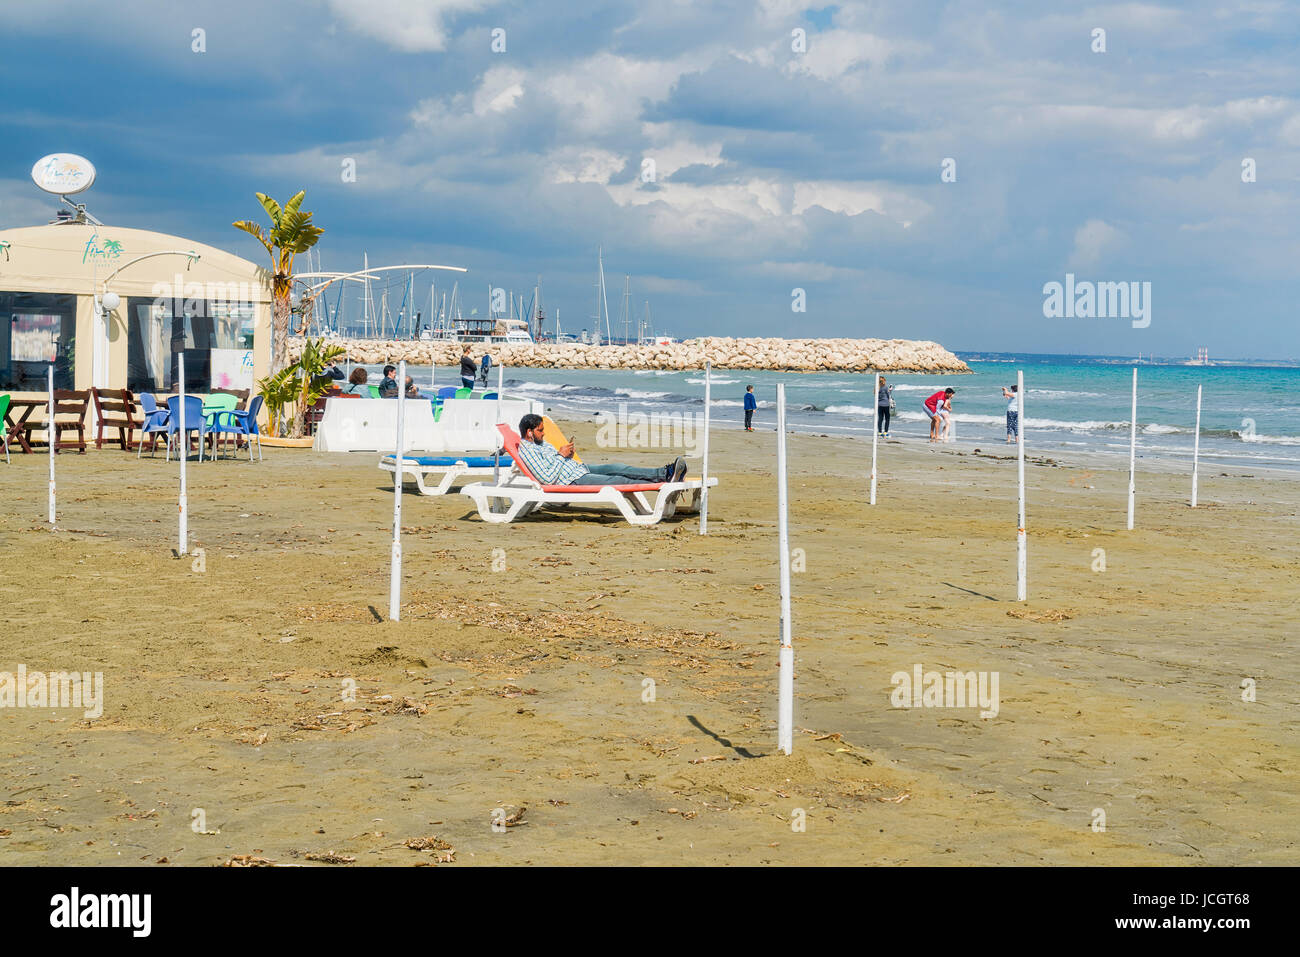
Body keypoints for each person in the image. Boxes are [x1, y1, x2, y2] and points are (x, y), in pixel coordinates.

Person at [515, 413, 687, 486]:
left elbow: (555, 460)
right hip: (572, 480)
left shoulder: (539, 444)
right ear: (529, 432)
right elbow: (546, 478)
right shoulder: (528, 452)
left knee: (618, 467)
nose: (544, 434)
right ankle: (664, 485)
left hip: (578, 469)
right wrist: (561, 455)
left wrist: (567, 454)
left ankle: (664, 473)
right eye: (540, 430)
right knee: (618, 480)